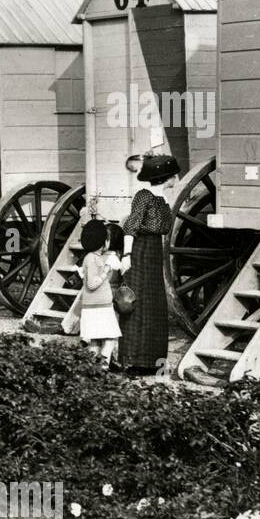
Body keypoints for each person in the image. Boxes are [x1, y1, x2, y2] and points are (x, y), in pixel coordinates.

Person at [119, 153, 179, 375]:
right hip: (140, 251)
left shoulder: (162, 199)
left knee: (154, 306)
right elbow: (131, 227)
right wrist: (126, 256)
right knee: (137, 305)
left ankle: (151, 362)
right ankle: (133, 361)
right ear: (167, 178)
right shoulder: (143, 196)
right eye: (174, 175)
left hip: (154, 252)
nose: (176, 178)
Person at [75, 219, 121, 367]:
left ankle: (93, 369)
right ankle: (103, 367)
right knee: (110, 339)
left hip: (92, 307)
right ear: (104, 242)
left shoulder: (91, 258)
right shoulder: (93, 259)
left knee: (95, 340)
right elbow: (92, 284)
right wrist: (106, 270)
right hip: (100, 307)